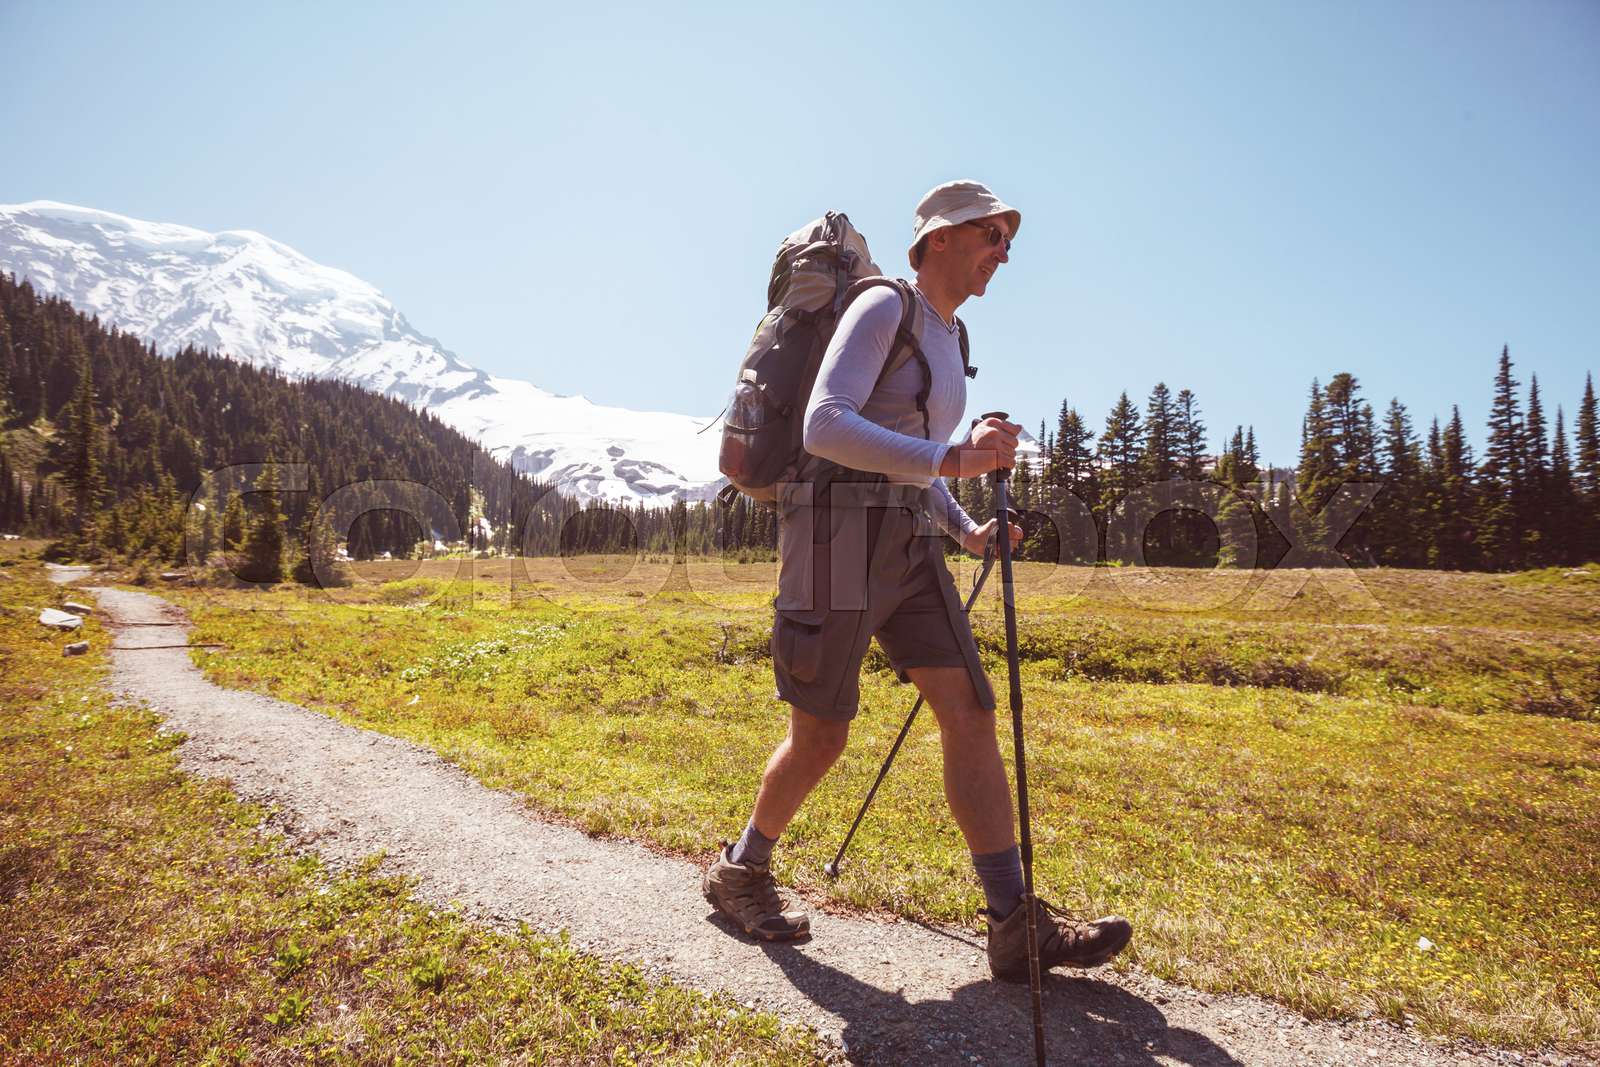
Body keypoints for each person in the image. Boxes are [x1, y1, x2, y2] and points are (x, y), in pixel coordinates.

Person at [703, 180, 1132, 982]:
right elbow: (825, 425)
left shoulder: (950, 334)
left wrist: (963, 527)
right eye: (991, 236)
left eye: (1007, 239)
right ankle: (741, 869)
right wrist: (957, 459)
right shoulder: (881, 308)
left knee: (968, 708)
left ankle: (1014, 923)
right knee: (822, 732)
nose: (1002, 253)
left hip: (906, 540)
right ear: (941, 237)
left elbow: (906, 450)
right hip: (832, 532)